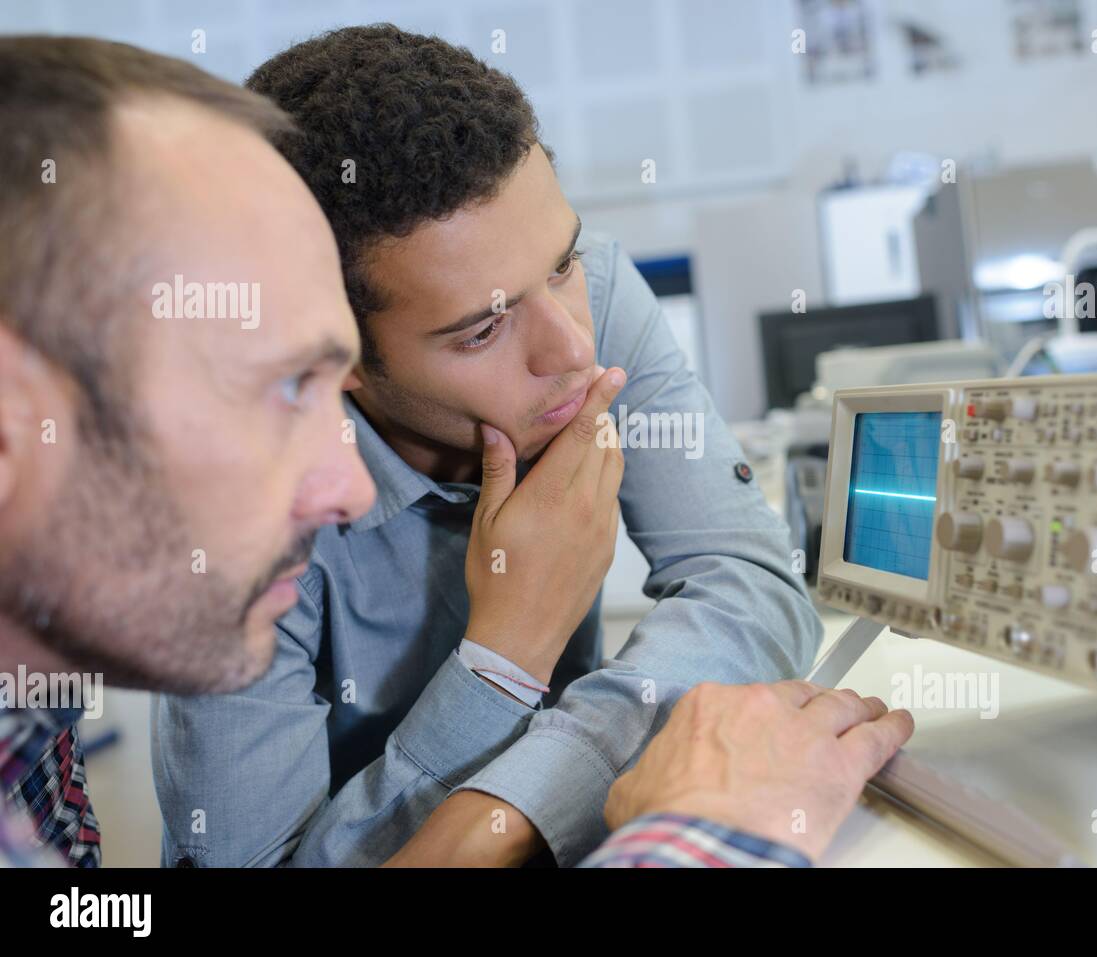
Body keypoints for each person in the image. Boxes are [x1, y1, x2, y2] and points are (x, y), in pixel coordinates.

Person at [0, 35, 913, 870]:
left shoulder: (26, 736)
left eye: (561, 263)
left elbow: (748, 580)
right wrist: (511, 661)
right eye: (480, 330)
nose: (574, 352)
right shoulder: (247, 524)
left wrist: (522, 795)